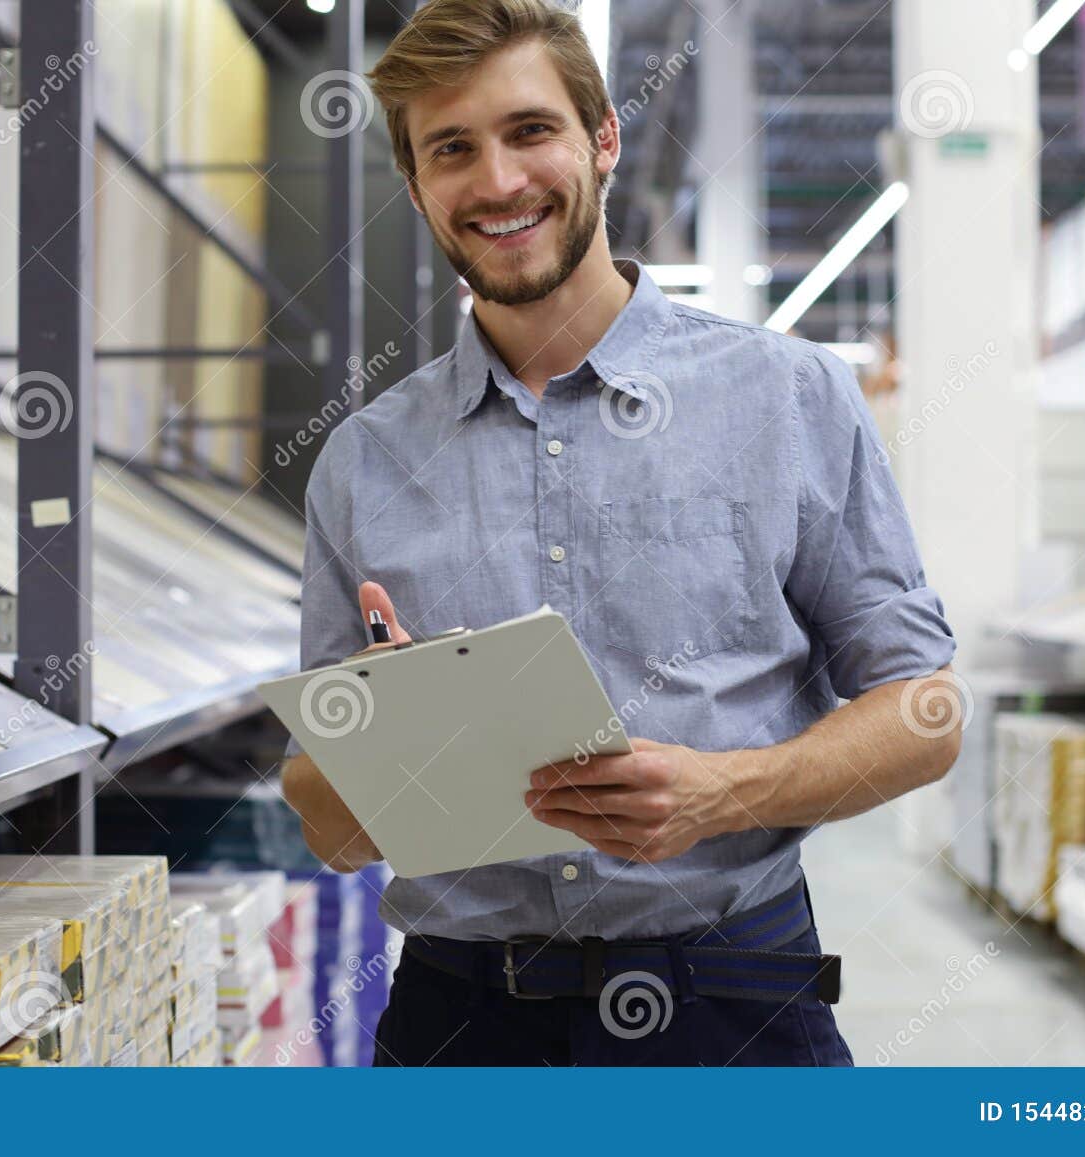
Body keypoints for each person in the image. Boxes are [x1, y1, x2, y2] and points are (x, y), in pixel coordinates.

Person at [281, 0, 962, 1066]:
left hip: (735, 1007)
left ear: (601, 139)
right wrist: (394, 741)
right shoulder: (363, 462)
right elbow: (326, 825)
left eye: (529, 131)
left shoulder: (787, 398)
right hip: (463, 1028)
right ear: (415, 187)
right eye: (451, 149)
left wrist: (725, 792)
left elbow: (925, 712)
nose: (498, 181)